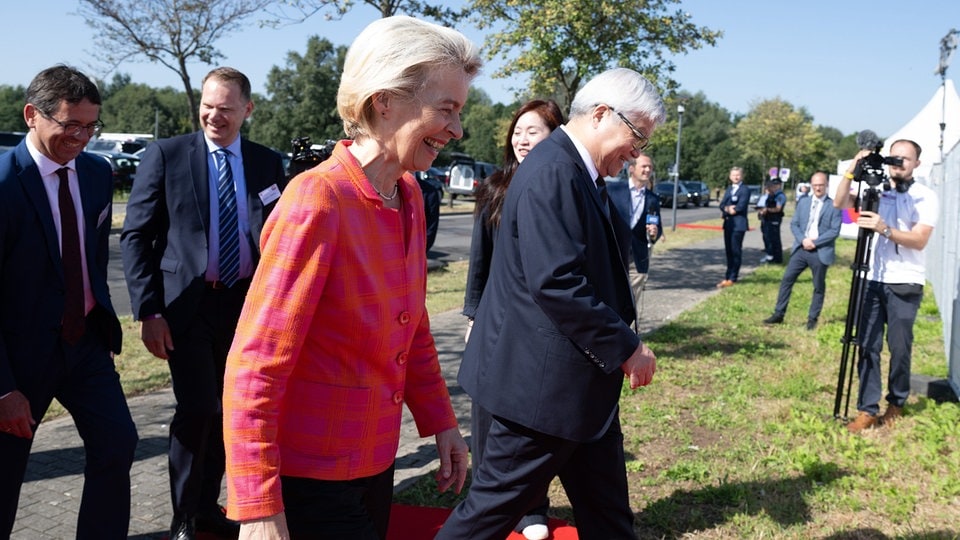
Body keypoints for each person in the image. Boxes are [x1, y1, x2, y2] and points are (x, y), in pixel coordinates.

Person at [221, 16, 480, 539]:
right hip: (309, 477)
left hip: (374, 462)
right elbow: (255, 365)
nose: (456, 129)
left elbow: (414, 326)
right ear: (386, 100)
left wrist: (442, 422)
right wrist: (257, 506)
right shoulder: (319, 198)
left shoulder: (408, 195)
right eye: (446, 109)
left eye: (460, 112)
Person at [436, 67, 663, 540]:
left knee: (609, 517)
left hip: (578, 390)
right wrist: (626, 346)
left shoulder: (577, 169)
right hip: (541, 393)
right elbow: (558, 282)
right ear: (602, 114)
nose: (638, 151)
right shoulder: (555, 171)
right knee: (486, 517)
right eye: (637, 135)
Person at [121, 67, 287, 540]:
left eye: (226, 108)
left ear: (247, 110)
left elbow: (276, 235)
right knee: (197, 410)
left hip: (245, 309)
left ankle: (212, 505)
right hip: (187, 308)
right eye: (207, 107)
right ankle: (184, 518)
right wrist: (149, 311)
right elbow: (136, 235)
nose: (214, 116)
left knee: (232, 410)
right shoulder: (168, 155)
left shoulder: (265, 162)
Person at [0, 65, 138, 538]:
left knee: (118, 444)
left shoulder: (98, 174)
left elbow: (92, 257)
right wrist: (2, 388)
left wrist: (98, 319)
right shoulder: (2, 183)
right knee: (4, 479)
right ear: (32, 115)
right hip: (17, 363)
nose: (81, 137)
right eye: (69, 125)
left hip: (85, 348)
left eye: (90, 125)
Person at [462, 98, 564, 540]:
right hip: (496, 320)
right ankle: (483, 500)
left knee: (531, 419)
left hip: (543, 325)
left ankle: (531, 508)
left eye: (534, 132)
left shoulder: (565, 185)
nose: (523, 140)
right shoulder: (495, 188)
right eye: (518, 132)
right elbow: (478, 262)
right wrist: (472, 315)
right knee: (487, 415)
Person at [834, 140, 939, 433]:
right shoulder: (875, 189)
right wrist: (852, 169)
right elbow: (840, 204)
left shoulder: (925, 196)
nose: (899, 163)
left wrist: (884, 228)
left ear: (917, 163)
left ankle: (896, 403)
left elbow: (919, 240)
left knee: (900, 347)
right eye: (895, 158)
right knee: (867, 344)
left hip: (905, 280)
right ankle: (867, 409)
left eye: (906, 159)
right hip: (871, 278)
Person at [763, 172, 842, 330]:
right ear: (811, 185)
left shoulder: (833, 205)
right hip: (801, 248)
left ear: (826, 185)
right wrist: (803, 240)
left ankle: (812, 319)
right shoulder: (803, 202)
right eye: (815, 185)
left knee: (818, 286)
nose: (818, 188)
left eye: (820, 185)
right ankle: (779, 313)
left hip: (820, 251)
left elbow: (834, 231)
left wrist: (815, 242)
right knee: (787, 279)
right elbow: (795, 224)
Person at [608, 153, 663, 308]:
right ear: (631, 168)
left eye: (650, 167)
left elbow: (658, 229)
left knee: (631, 304)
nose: (647, 170)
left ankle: (629, 331)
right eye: (644, 166)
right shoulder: (613, 189)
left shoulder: (653, 199)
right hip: (613, 256)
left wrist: (654, 233)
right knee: (611, 300)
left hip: (638, 259)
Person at [717, 166, 750, 287]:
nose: (735, 177)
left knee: (735, 251)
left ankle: (733, 277)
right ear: (730, 177)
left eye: (738, 175)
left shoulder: (745, 190)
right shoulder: (729, 189)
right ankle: (727, 276)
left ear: (742, 176)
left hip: (739, 225)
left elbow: (740, 207)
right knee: (728, 251)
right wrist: (727, 209)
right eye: (733, 175)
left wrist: (730, 209)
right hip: (728, 224)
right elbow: (722, 205)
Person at [758, 178, 786, 264]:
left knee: (775, 239)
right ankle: (770, 255)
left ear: (779, 185)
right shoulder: (772, 195)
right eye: (772, 185)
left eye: (775, 185)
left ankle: (777, 259)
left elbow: (778, 209)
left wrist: (768, 210)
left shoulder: (780, 196)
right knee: (768, 238)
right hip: (768, 218)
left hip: (775, 219)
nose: (773, 186)